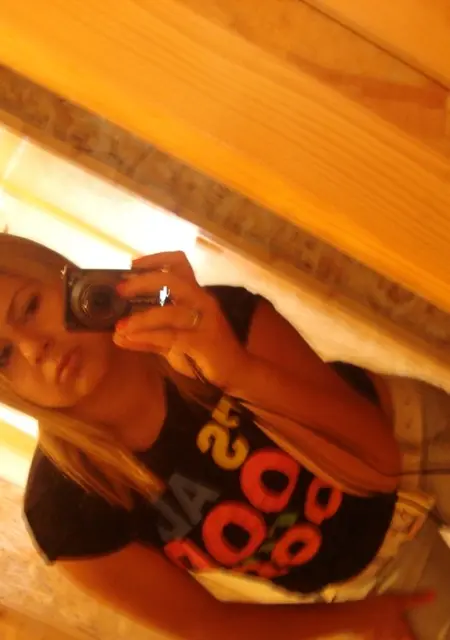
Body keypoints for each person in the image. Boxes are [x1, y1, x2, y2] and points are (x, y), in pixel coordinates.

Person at [0, 233, 448, 640]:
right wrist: (359, 617)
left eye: (29, 307)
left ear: (67, 280)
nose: (33, 347)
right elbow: (206, 624)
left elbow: (378, 463)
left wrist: (236, 370)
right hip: (367, 574)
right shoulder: (64, 511)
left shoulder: (205, 322)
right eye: (2, 355)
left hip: (409, 437)